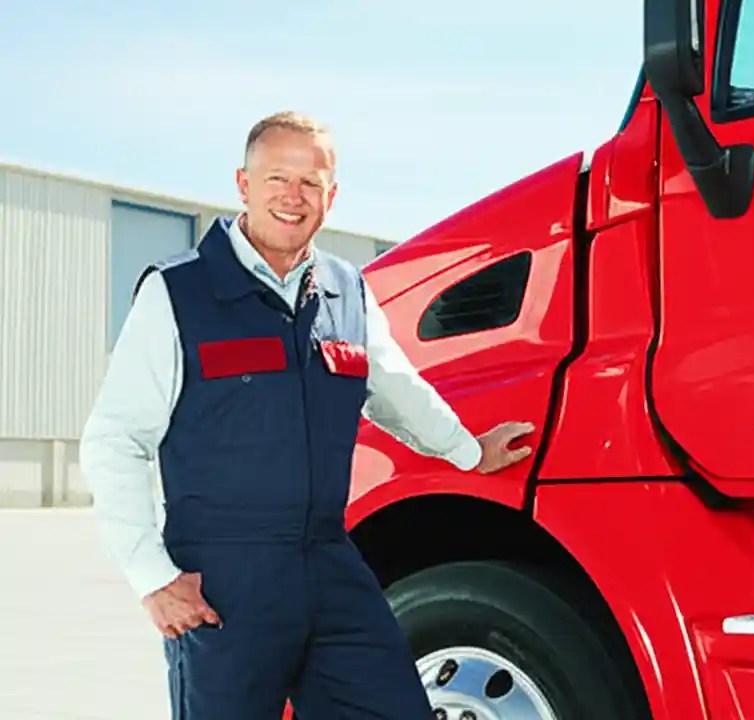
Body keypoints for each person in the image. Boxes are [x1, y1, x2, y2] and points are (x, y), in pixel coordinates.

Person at [80, 110, 537, 719]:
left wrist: (469, 450)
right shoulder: (177, 294)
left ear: (332, 193)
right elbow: (115, 441)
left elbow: (396, 387)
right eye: (276, 179)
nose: (293, 198)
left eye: (310, 183)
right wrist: (152, 577)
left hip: (329, 560)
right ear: (243, 184)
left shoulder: (347, 290)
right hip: (223, 577)